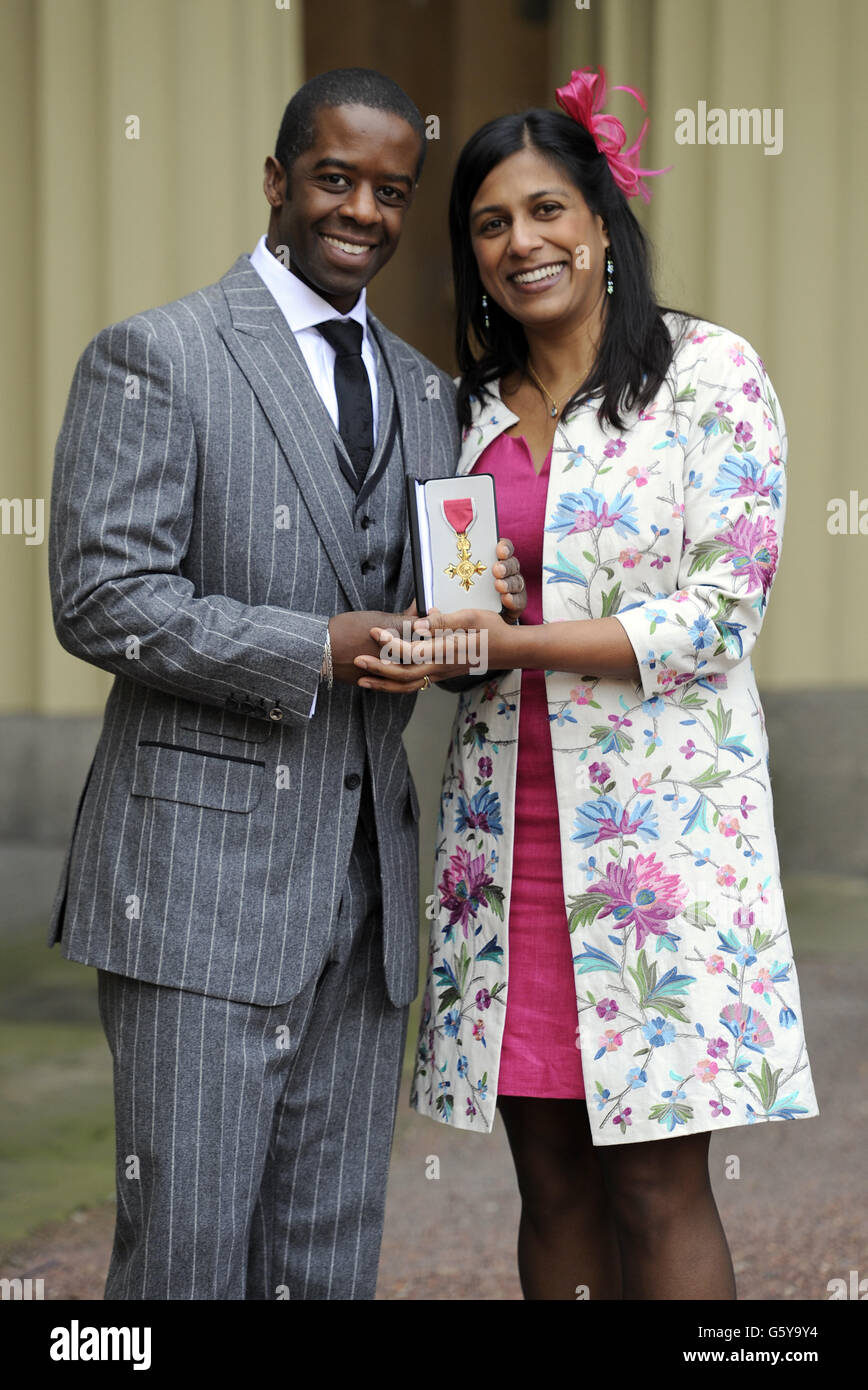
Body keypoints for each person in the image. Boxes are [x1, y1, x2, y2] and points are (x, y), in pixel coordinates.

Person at [46, 67, 525, 1301]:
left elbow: (429, 590)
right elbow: (101, 595)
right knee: (187, 1260)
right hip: (195, 896)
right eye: (333, 179)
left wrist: (472, 620)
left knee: (325, 1260)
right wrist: (316, 647)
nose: (361, 209)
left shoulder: (431, 394)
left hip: (364, 901)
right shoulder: (157, 356)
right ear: (276, 181)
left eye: (390, 190)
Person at [362, 67, 819, 1300]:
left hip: (658, 839)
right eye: (493, 222)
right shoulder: (468, 417)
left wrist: (511, 644)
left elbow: (721, 614)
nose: (524, 242)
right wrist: (450, 636)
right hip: (504, 844)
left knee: (655, 1185)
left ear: (604, 222)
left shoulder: (706, 376)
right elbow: (467, 631)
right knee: (552, 1183)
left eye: (549, 209)